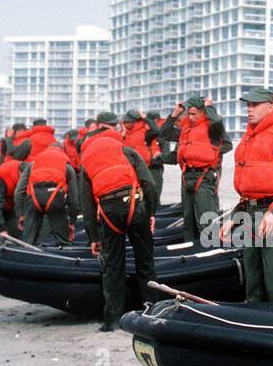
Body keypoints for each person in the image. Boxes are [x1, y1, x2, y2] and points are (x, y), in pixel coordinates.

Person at [222, 87, 273, 302]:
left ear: (271, 106)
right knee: (253, 281)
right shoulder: (252, 136)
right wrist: (233, 219)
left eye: (254, 104)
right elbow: (251, 187)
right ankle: (254, 326)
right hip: (250, 213)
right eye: (247, 105)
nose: (249, 109)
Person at [79, 113, 160, 332]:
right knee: (145, 261)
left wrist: (93, 237)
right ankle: (151, 310)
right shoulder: (125, 150)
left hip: (108, 211)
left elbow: (86, 204)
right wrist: (151, 212)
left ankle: (113, 320)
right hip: (134, 204)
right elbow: (149, 184)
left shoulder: (86, 159)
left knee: (113, 265)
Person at [161, 96, 230, 241]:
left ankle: (211, 250)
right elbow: (165, 134)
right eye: (189, 113)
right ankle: (190, 248)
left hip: (205, 177)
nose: (190, 117)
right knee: (188, 221)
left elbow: (225, 139)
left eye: (194, 114)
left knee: (205, 220)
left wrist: (210, 108)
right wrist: (175, 113)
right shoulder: (185, 129)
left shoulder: (212, 129)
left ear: (202, 112)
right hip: (187, 177)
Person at [17, 126, 76, 245]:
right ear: (61, 151)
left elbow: (18, 192)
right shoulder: (66, 165)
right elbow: (73, 198)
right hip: (55, 198)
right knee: (63, 242)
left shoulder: (33, 164)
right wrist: (72, 221)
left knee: (28, 241)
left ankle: (26, 254)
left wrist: (22, 214)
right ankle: (63, 251)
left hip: (33, 198)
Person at [122, 109, 164, 196]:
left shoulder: (146, 132)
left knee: (152, 195)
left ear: (134, 122)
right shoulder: (126, 134)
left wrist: (144, 118)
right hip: (133, 171)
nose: (123, 123)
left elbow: (156, 131)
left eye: (126, 121)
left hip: (150, 169)